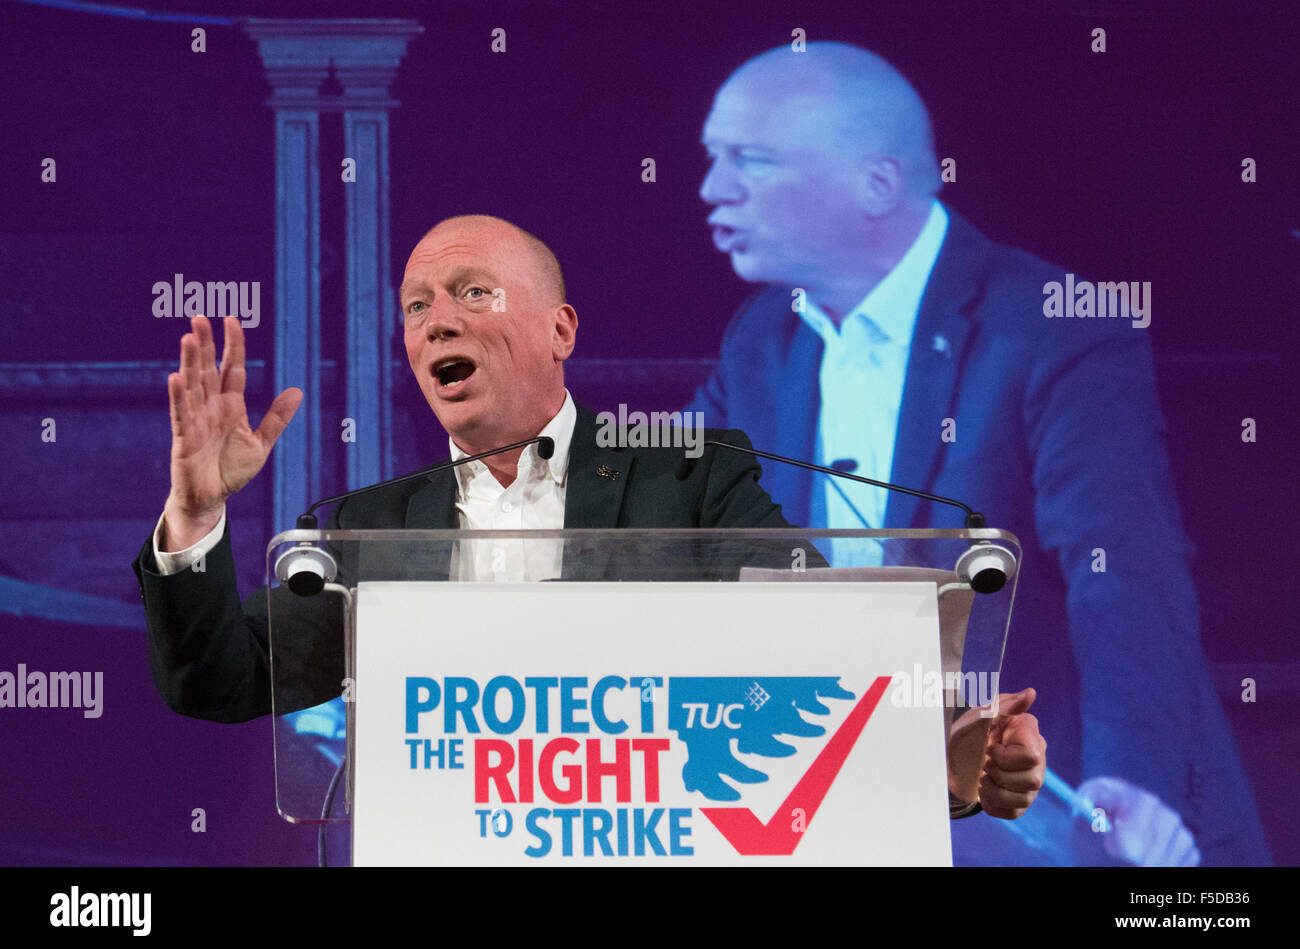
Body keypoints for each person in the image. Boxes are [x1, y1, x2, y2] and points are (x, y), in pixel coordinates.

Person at [132, 214, 1046, 821]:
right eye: (416, 307)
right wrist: (194, 514)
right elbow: (218, 681)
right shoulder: (371, 529)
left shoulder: (689, 477)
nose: (435, 322)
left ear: (561, 330)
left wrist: (945, 756)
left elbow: (814, 645)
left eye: (471, 293)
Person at [686, 42, 1268, 864]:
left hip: (1057, 804)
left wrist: (1131, 779)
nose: (714, 187)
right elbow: (663, 503)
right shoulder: (765, 339)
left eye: (751, 158)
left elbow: (1124, 571)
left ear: (875, 182)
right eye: (714, 157)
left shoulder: (1054, 327)